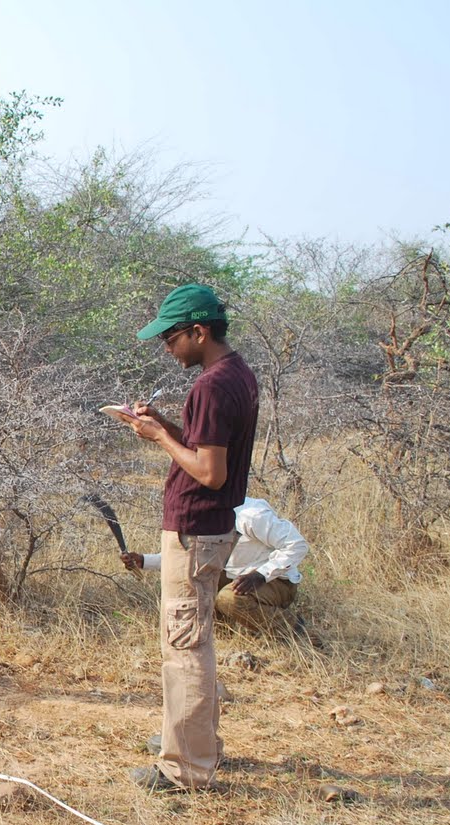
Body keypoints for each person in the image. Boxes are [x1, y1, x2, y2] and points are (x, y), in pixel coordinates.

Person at [114, 284, 259, 792]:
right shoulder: (235, 374)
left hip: (196, 529)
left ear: (199, 332)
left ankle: (186, 770)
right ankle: (196, 744)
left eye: (171, 337)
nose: (167, 348)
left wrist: (159, 438)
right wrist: (165, 426)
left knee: (185, 646)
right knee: (192, 640)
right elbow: (205, 446)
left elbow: (211, 471)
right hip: (211, 528)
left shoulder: (212, 385)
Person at [121, 496, 308, 627]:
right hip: (235, 576)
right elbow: (188, 559)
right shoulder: (202, 516)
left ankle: (294, 629)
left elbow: (297, 545)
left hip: (277, 582)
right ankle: (232, 624)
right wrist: (144, 561)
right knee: (192, 584)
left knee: (229, 599)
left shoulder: (251, 514)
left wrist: (261, 575)